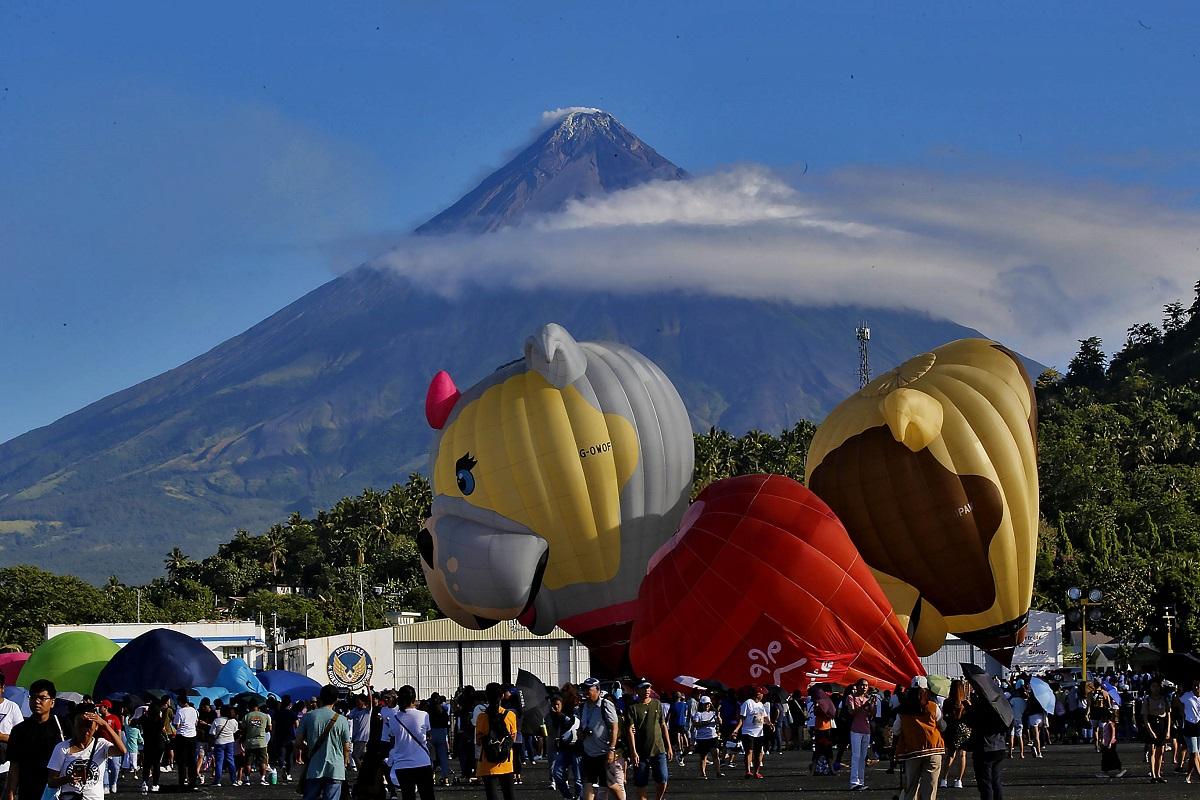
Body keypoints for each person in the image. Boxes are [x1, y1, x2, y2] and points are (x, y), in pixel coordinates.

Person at [46, 704, 127, 800]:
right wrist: (67, 779)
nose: (84, 729)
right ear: (73, 725)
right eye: (80, 724)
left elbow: (122, 751)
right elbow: (51, 781)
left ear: (96, 726)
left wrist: (105, 725)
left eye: (89, 725)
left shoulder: (101, 745)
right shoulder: (62, 748)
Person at [3, 679, 64, 800]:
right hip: (28, 789)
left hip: (57, 790)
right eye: (33, 697)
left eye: (42, 698)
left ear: (52, 702)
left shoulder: (62, 726)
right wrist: (11, 793)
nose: (37, 701)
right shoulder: (19, 730)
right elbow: (14, 766)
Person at [295, 684, 352, 800]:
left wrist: (307, 750)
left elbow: (298, 742)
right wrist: (345, 762)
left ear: (320, 698)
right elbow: (346, 747)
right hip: (335, 768)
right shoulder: (342, 720)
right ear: (336, 699)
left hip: (314, 766)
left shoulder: (309, 716)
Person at [892, 677, 944, 800]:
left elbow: (896, 729)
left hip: (912, 750)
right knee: (930, 787)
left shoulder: (903, 709)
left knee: (911, 786)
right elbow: (943, 725)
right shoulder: (933, 706)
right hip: (933, 748)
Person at [386, 685, 434, 800]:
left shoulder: (394, 718)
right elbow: (428, 733)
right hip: (422, 761)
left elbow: (392, 736)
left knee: (408, 796)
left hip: (402, 763)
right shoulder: (424, 715)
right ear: (414, 699)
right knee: (427, 796)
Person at [579, 678, 623, 800]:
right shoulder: (583, 707)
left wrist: (612, 749)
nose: (585, 692)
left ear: (598, 690)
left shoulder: (605, 704)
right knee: (587, 782)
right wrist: (581, 733)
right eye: (584, 689)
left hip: (603, 752)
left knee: (611, 784)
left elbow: (615, 727)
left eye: (589, 689)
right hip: (588, 752)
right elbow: (581, 727)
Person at [626, 680, 671, 800]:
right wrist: (633, 751)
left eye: (648, 687)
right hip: (641, 751)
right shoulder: (632, 707)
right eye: (644, 688)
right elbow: (630, 730)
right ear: (637, 690)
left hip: (658, 749)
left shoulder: (657, 703)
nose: (647, 690)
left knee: (663, 779)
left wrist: (669, 746)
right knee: (641, 783)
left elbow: (663, 725)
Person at [962, 685, 1007, 800]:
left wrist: (969, 708)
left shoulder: (981, 708)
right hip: (999, 747)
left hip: (984, 748)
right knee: (996, 781)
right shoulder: (1000, 707)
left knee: (985, 783)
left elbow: (970, 722)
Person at [476, 683, 517, 800]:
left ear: (487, 697)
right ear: (502, 696)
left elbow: (478, 741)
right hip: (506, 760)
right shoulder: (510, 715)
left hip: (487, 761)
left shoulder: (482, 717)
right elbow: (512, 739)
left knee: (492, 795)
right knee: (509, 794)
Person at [548, 694, 582, 800]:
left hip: (576, 748)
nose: (556, 707)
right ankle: (568, 796)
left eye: (558, 704)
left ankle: (578, 795)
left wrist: (560, 715)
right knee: (556, 773)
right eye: (554, 705)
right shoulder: (550, 716)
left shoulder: (571, 713)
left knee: (578, 778)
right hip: (562, 748)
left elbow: (571, 723)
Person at [730, 686, 768, 780]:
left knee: (758, 752)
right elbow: (741, 719)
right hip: (748, 731)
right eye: (762, 693)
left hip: (759, 732)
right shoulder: (747, 703)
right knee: (749, 751)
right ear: (758, 694)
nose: (763, 695)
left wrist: (770, 724)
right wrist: (736, 730)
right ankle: (748, 771)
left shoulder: (761, 705)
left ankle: (756, 772)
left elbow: (765, 717)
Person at [939, 680, 970, 790]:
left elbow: (944, 716)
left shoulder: (948, 701)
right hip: (963, 730)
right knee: (962, 755)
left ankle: (944, 779)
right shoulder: (965, 702)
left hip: (951, 729)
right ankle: (959, 780)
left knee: (949, 755)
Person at [844, 679, 874, 791]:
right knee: (856, 755)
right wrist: (863, 706)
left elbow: (872, 716)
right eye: (862, 685)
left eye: (866, 685)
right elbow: (851, 712)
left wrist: (871, 706)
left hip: (866, 730)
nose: (864, 687)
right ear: (857, 686)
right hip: (856, 729)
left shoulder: (867, 699)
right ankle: (853, 781)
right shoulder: (851, 697)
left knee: (863, 757)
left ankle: (861, 781)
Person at [1141, 678, 1170, 783]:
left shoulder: (1164, 699)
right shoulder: (1147, 699)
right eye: (1153, 686)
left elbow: (1168, 715)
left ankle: (1158, 774)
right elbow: (1145, 717)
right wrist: (1151, 731)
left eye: (1157, 686)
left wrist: (1168, 730)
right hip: (1151, 724)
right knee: (1152, 750)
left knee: (1160, 751)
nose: (1155, 689)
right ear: (1150, 688)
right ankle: (1153, 775)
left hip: (1162, 724)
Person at [0, 677, 25, 797]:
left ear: (2, 688)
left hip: (5, 769)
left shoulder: (12, 707)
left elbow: (21, 738)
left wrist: (1, 736)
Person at [170, 697, 199, 791]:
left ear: (181, 702)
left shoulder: (180, 711)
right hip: (193, 736)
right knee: (192, 761)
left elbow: (177, 725)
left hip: (182, 736)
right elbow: (196, 722)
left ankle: (182, 782)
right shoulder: (194, 710)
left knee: (181, 761)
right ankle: (193, 782)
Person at [689, 696, 722, 779]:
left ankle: (718, 772)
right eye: (705, 704)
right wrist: (704, 723)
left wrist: (718, 715)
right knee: (703, 756)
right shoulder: (698, 714)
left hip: (712, 736)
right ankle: (702, 773)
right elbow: (695, 724)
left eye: (708, 704)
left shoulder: (714, 713)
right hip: (702, 738)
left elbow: (720, 722)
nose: (707, 706)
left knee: (715, 753)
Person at [242, 698, 273, 785]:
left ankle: (247, 779)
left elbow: (243, 729)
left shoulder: (246, 716)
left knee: (248, 762)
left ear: (249, 706)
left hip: (249, 742)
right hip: (261, 742)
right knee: (263, 761)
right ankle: (262, 779)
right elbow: (269, 729)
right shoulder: (265, 716)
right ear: (257, 706)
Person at [208, 705, 238, 787]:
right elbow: (235, 731)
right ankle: (234, 780)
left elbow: (212, 734)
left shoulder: (217, 721)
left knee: (219, 762)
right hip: (230, 742)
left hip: (219, 743)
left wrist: (210, 745)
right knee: (231, 761)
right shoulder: (234, 721)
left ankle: (217, 781)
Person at [427, 693, 452, 787]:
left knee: (430, 758)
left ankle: (431, 777)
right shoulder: (443, 712)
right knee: (443, 758)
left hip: (431, 734)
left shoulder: (428, 711)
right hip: (441, 734)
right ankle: (445, 778)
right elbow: (447, 724)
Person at [1179, 678, 1200, 783]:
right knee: (1193, 753)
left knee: (1197, 753)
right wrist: (1182, 714)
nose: (1196, 688)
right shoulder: (1187, 696)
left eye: (1198, 686)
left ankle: (1188, 776)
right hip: (1189, 725)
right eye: (1195, 685)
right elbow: (1177, 702)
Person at [1096, 708, 1125, 780]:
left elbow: (1112, 735)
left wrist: (1109, 743)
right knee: (1107, 757)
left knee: (1109, 757)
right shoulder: (1106, 725)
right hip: (1107, 744)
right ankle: (1106, 770)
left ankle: (1106, 770)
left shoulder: (1110, 724)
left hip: (1110, 744)